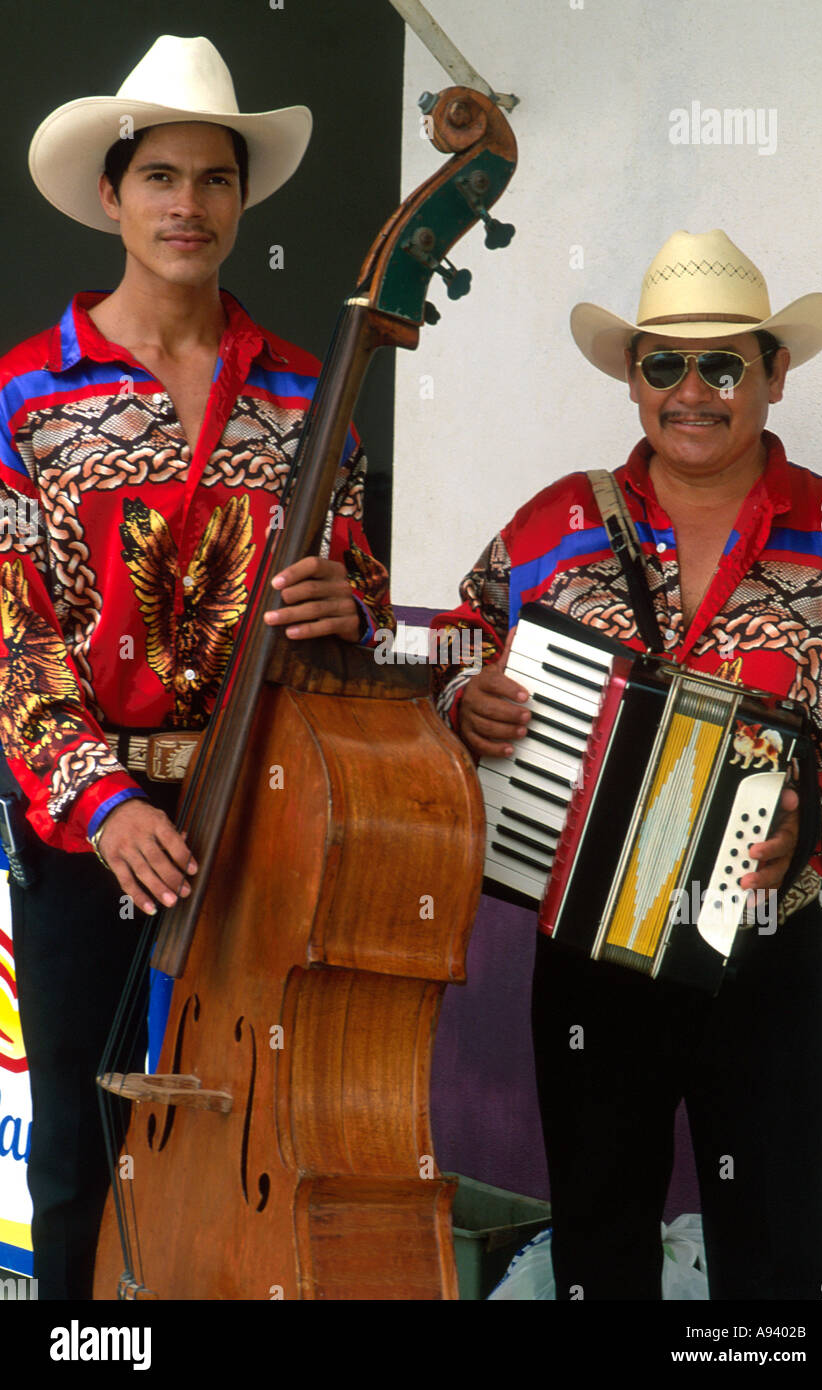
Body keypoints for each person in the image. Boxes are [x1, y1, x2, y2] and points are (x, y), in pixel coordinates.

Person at [0, 35, 392, 1299]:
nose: (188, 204)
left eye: (214, 179)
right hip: (90, 832)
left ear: (240, 201)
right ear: (111, 196)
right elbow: (12, 636)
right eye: (160, 175)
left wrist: (350, 608)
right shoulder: (25, 400)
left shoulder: (301, 395)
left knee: (254, 1120)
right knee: (78, 1150)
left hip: (266, 820)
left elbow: (355, 599)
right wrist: (102, 807)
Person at [432, 228, 822, 1300]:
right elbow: (450, 649)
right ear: (631, 379)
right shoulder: (554, 527)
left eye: (722, 364)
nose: (692, 391)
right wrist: (458, 702)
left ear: (773, 372)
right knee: (600, 1242)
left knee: (778, 1256)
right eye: (663, 363)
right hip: (589, 952)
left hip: (761, 952)